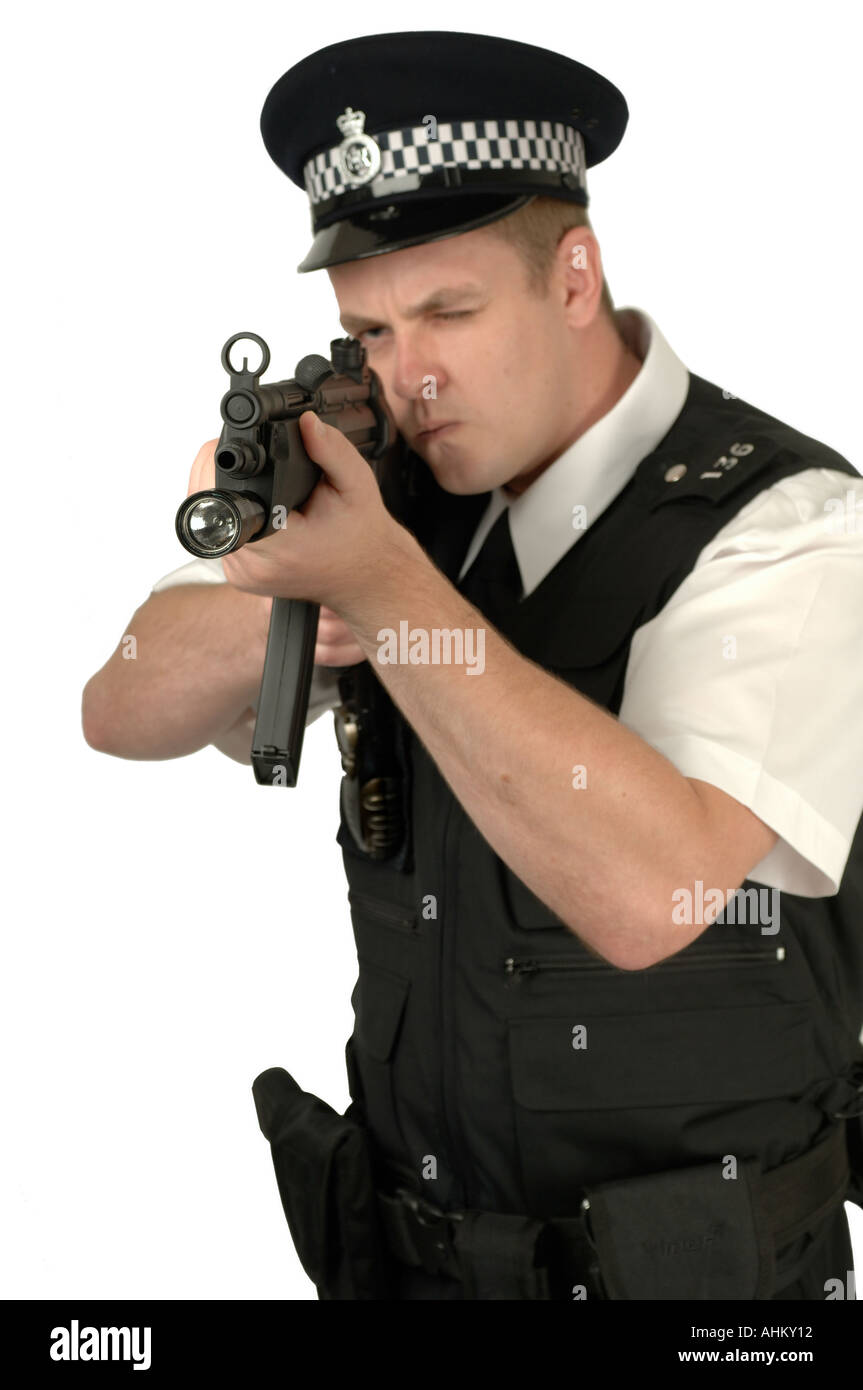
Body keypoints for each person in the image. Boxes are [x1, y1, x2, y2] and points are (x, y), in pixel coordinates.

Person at [82, 31, 863, 1301]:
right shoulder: (391, 487)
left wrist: (385, 594)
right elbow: (119, 705)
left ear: (572, 277)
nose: (410, 372)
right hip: (409, 1263)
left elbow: (646, 899)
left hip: (704, 1288)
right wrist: (269, 583)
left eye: (449, 311)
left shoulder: (787, 529)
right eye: (368, 329)